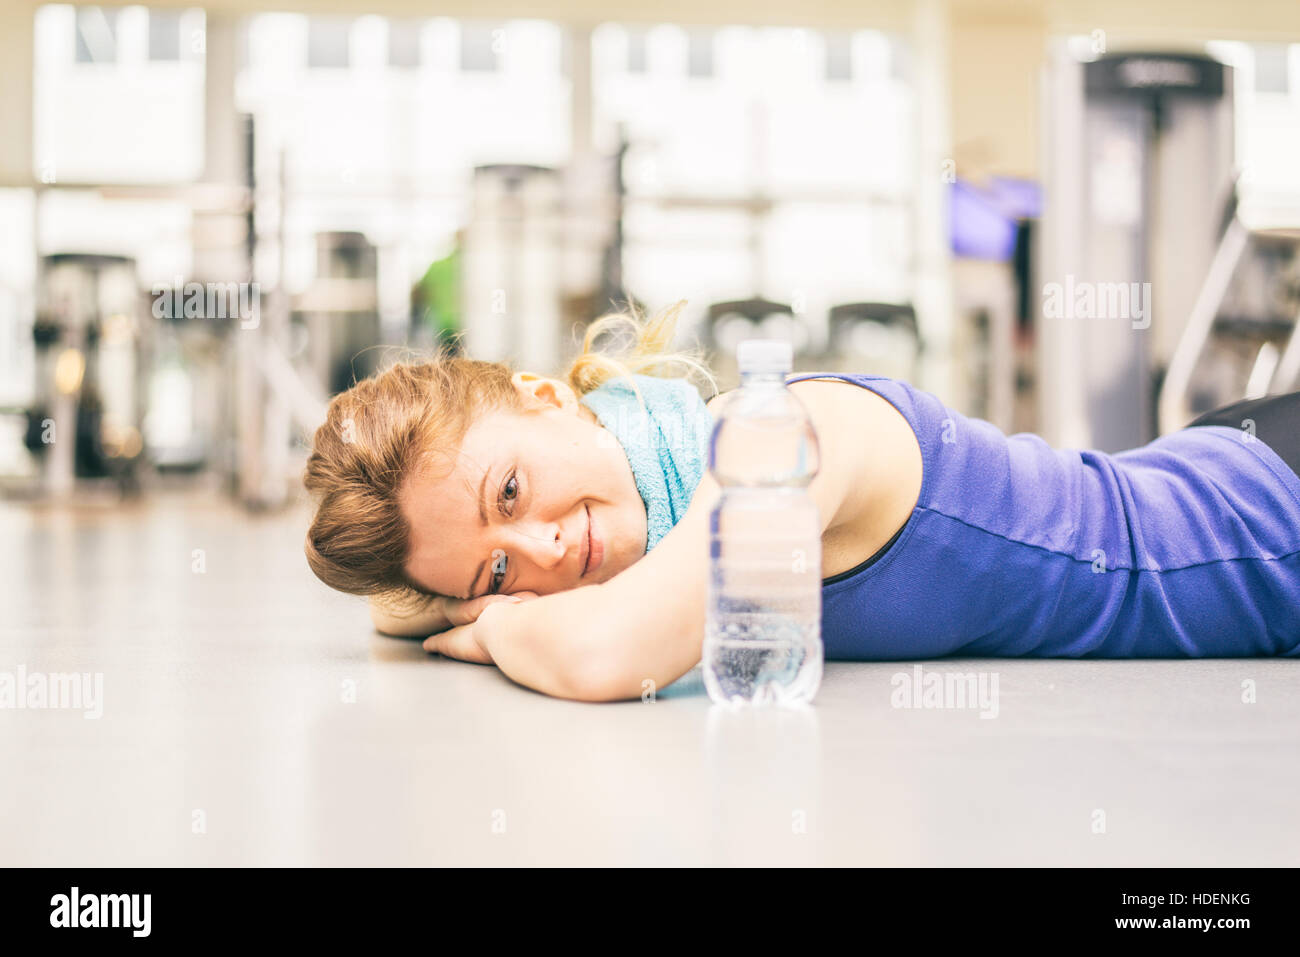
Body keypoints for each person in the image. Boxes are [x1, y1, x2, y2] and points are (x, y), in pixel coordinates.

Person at [303, 300, 1300, 702]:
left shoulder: (781, 438)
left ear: (549, 397)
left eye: (510, 489)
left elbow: (612, 655)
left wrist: (491, 625)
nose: (547, 547)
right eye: (497, 569)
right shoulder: (677, 532)